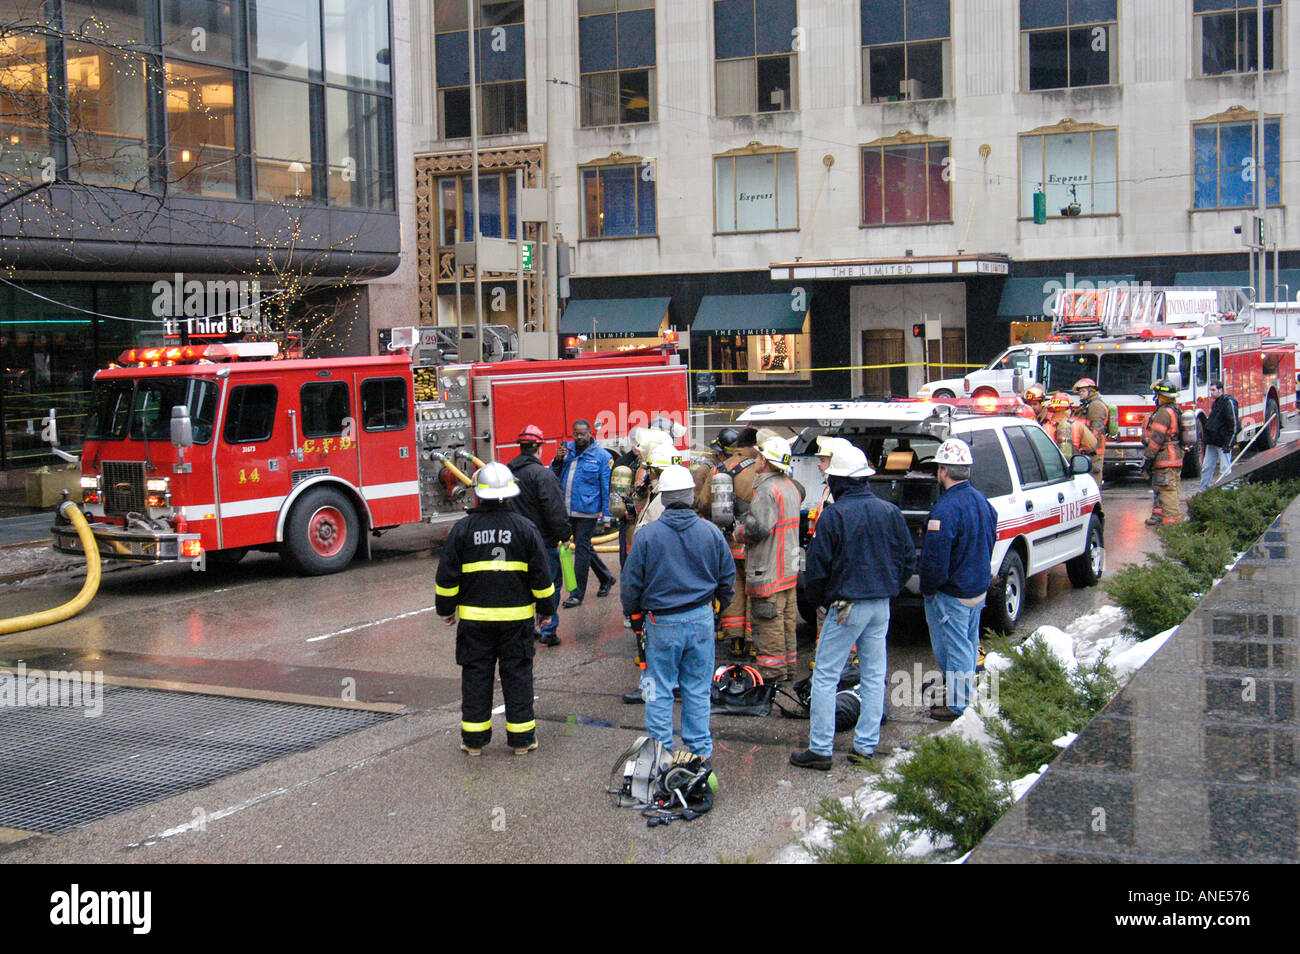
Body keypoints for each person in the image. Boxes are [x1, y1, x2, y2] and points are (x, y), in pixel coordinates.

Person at [790, 445, 914, 770]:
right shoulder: (889, 511)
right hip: (880, 605)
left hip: (846, 606)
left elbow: (817, 567)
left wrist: (819, 601)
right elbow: (908, 559)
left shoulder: (835, 515)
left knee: (826, 676)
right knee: (874, 675)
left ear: (841, 481)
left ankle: (820, 749)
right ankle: (865, 747)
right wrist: (890, 587)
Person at [435, 462, 558, 756]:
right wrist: (546, 610)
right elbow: (542, 576)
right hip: (516, 621)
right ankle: (522, 740)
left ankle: (473, 742)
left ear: (479, 494)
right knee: (517, 676)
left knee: (476, 677)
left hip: (474, 623)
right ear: (510, 494)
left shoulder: (463, 530)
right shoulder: (525, 528)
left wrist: (446, 610)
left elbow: (447, 577)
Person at [621, 465, 735, 764]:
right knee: (697, 689)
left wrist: (633, 614)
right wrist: (719, 607)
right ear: (690, 496)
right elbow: (727, 577)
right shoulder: (710, 532)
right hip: (700, 619)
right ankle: (699, 757)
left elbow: (631, 584)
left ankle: (661, 757)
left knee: (657, 690)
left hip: (661, 623)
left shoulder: (647, 536)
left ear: (665, 498)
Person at [919, 438, 997, 721]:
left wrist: (928, 588)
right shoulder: (981, 501)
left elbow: (936, 558)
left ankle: (958, 705)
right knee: (968, 643)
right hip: (977, 587)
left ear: (943, 470)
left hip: (953, 593)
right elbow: (990, 538)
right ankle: (963, 694)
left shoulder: (945, 509)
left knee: (955, 649)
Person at [734, 435, 803, 685]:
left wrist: (739, 531)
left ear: (766, 461)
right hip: (787, 570)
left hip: (768, 571)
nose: (756, 460)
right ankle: (789, 669)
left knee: (768, 625)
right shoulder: (790, 486)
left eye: (759, 456)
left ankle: (772, 675)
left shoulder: (766, 489)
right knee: (786, 623)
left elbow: (759, 528)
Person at [507, 424, 572, 647]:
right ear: (539, 448)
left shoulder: (508, 473)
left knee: (523, 586)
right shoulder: (542, 475)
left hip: (515, 543)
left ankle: (527, 627)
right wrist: (565, 535)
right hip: (543, 543)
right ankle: (548, 629)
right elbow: (554, 509)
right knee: (549, 585)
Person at [552, 418, 616, 606]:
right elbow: (553, 475)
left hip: (587, 512)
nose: (579, 437)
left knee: (581, 550)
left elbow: (606, 487)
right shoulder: (567, 450)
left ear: (590, 434)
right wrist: (558, 460)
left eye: (582, 434)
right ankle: (606, 578)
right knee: (584, 546)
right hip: (567, 509)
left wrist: (607, 516)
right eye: (576, 434)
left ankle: (576, 594)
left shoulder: (602, 456)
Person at [716, 427, 764, 659]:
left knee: (733, 588)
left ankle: (735, 640)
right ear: (755, 446)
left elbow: (704, 503)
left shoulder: (721, 468)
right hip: (753, 542)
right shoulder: (761, 469)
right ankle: (753, 641)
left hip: (727, 542)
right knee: (754, 590)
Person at [1143, 378, 1184, 526]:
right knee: (1161, 487)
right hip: (1175, 457)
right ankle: (1157, 516)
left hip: (1165, 458)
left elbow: (1156, 438)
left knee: (1167, 490)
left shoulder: (1163, 413)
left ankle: (1172, 523)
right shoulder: (1175, 410)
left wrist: (1148, 458)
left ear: (1160, 396)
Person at [1200, 380, 1237, 491]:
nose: (1211, 393)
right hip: (1212, 441)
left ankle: (1227, 491)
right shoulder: (1217, 403)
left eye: (1213, 390)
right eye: (1210, 390)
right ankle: (1203, 490)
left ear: (1220, 390)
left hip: (1223, 443)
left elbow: (1233, 424)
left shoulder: (1228, 403)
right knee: (1206, 467)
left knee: (1225, 469)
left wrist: (1229, 443)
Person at [1073, 377, 1109, 485]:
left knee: (1094, 479)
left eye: (1083, 391)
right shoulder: (1087, 405)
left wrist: (1088, 446)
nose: (1080, 394)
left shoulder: (1096, 406)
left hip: (1094, 450)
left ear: (1091, 391)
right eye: (1080, 391)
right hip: (1087, 449)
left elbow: (1096, 430)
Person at [1043, 392, 1097, 461]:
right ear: (1068, 409)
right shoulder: (1077, 425)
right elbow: (1091, 446)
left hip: (1052, 463)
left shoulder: (1045, 427)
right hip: (1074, 463)